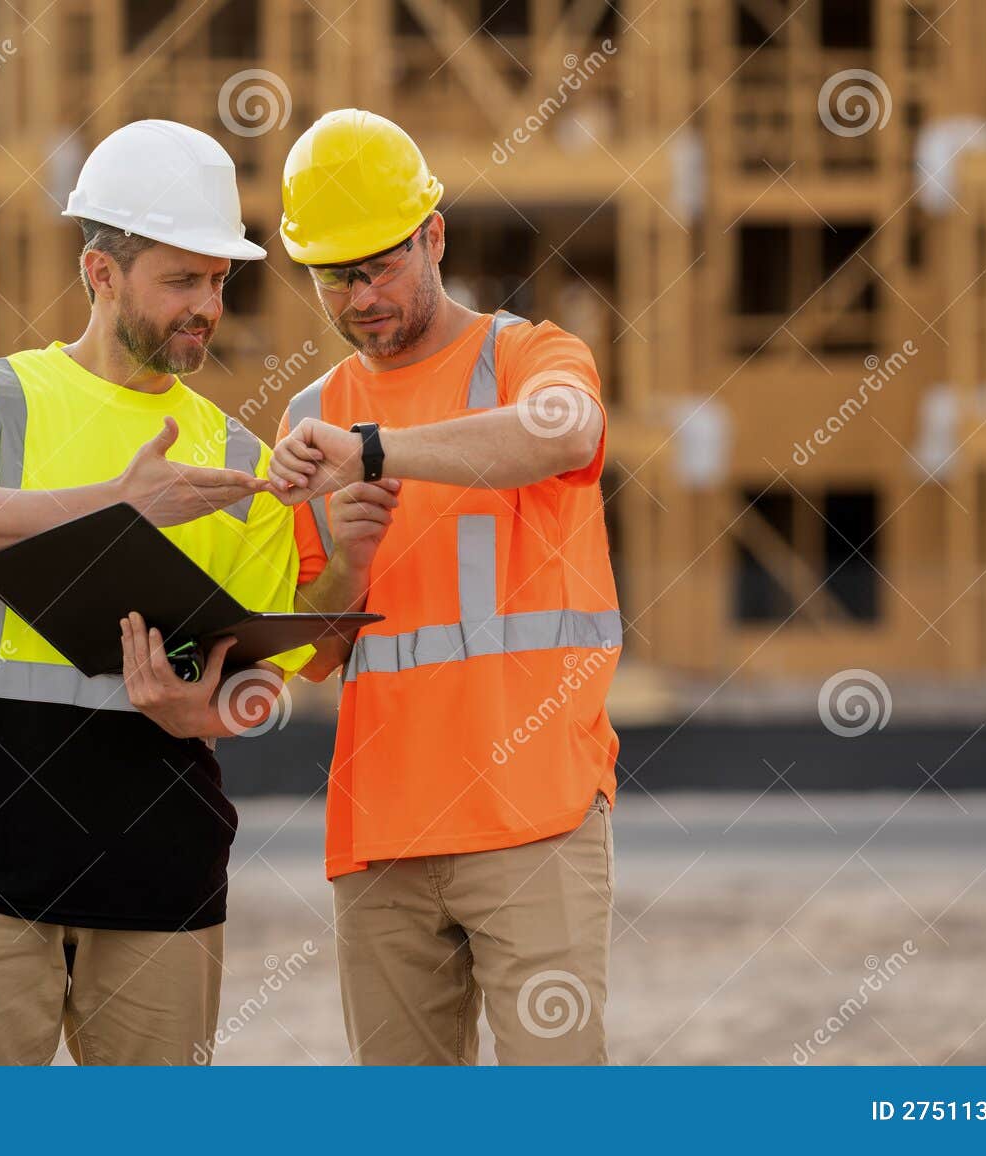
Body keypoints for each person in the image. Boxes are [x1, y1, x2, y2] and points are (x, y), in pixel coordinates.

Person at [0, 120, 308, 1065]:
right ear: (100, 274)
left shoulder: (243, 461)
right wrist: (116, 505)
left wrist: (208, 710)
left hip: (162, 877)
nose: (207, 306)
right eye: (181, 280)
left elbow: (257, 680)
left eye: (219, 282)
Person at [270, 109, 622, 1065]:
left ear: (434, 236)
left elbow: (566, 433)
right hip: (381, 838)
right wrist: (344, 560)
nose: (359, 297)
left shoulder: (526, 356)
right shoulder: (309, 417)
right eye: (333, 276)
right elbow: (311, 654)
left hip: (535, 819)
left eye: (379, 265)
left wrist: (379, 449)